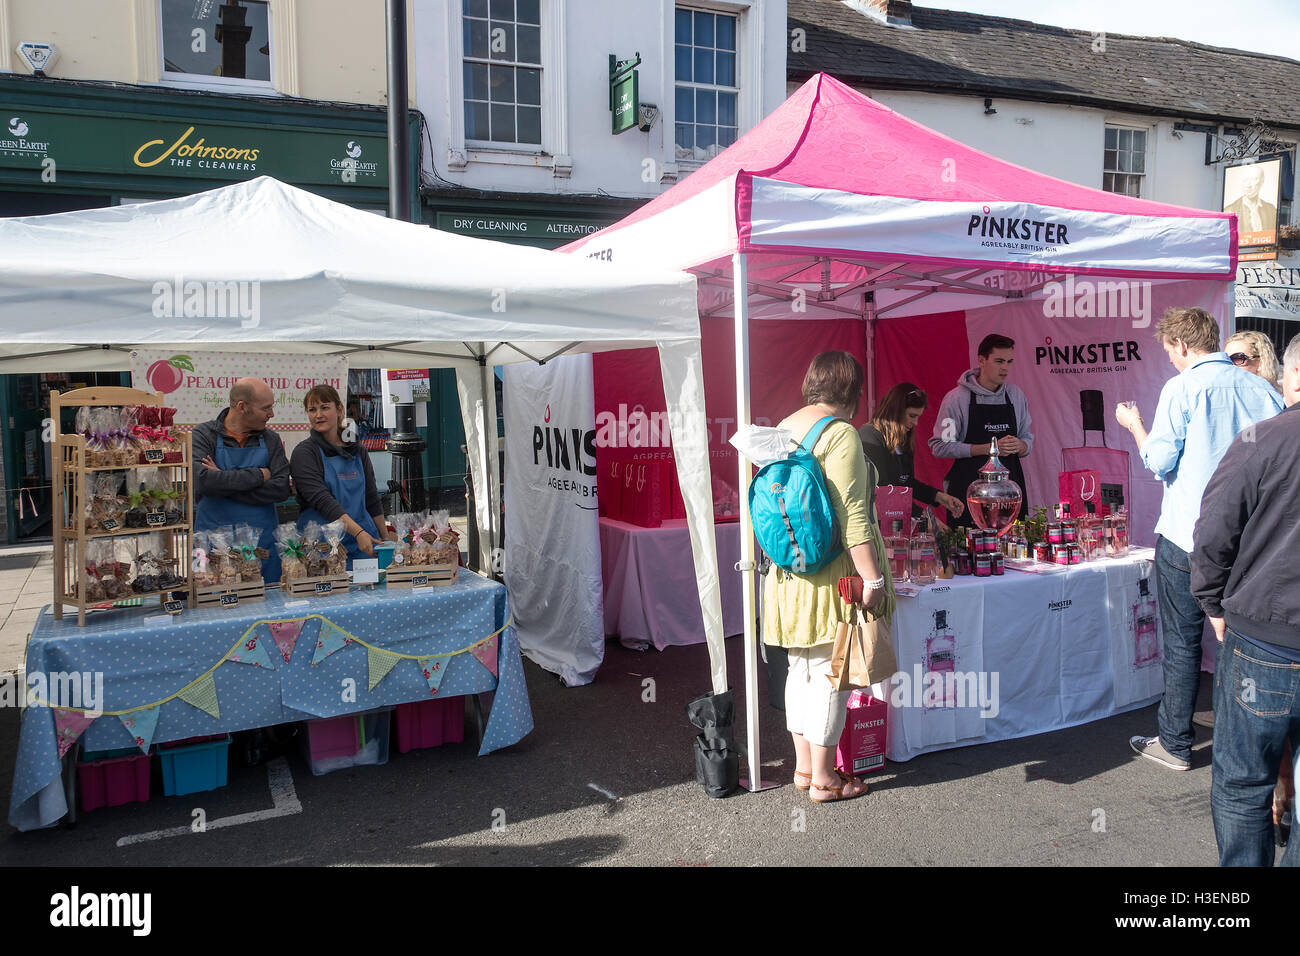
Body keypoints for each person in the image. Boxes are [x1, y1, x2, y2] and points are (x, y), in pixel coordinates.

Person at [1115, 307, 1283, 772]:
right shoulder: (1263, 390)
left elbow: (1160, 461)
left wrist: (1135, 427)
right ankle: (1237, 742)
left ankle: (1175, 742)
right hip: (1250, 540)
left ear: (1183, 346)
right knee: (1241, 640)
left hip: (1189, 535)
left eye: (1170, 350)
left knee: (1184, 640)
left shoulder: (1184, 387)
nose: (1170, 359)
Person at [762, 351, 894, 803]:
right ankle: (824, 778)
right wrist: (873, 581)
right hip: (834, 576)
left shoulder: (784, 426)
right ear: (852, 390)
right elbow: (854, 517)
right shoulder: (840, 435)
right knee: (829, 674)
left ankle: (803, 767)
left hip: (790, 572)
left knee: (800, 668)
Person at [1189, 331, 1300, 866]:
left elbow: (1212, 533)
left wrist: (1211, 603)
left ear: (1291, 377)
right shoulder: (1259, 439)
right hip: (1264, 631)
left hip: (1262, 639)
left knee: (1242, 785)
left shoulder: (1261, 440)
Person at [928, 333, 1033, 527]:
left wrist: (1022, 445)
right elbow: (940, 446)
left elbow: (1028, 438)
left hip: (1010, 494)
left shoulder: (1016, 396)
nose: (1005, 368)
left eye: (1010, 362)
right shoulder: (957, 399)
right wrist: (988, 448)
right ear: (981, 360)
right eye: (999, 361)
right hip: (970, 495)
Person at [192, 377, 290, 581]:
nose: (271, 414)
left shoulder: (271, 439)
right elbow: (203, 482)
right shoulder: (203, 435)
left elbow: (281, 489)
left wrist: (223, 481)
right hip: (212, 544)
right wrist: (259, 475)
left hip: (261, 545)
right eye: (266, 408)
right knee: (212, 603)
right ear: (242, 407)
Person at [290, 385, 394, 566]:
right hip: (322, 547)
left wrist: (385, 538)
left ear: (339, 409)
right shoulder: (304, 453)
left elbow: (371, 497)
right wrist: (358, 532)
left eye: (324, 407)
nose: (318, 415)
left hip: (364, 544)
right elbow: (323, 502)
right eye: (312, 410)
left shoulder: (356, 448)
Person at [860, 383, 964, 521]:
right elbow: (881, 490)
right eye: (912, 415)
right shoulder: (869, 436)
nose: (915, 422)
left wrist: (939, 496)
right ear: (895, 411)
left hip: (895, 526)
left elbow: (907, 483)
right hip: (874, 524)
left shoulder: (904, 440)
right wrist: (922, 517)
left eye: (918, 417)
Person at [1224, 164, 1277, 236]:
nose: (1248, 185)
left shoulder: (1271, 210)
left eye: (1254, 179)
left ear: (1262, 181)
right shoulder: (1230, 211)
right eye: (1245, 180)